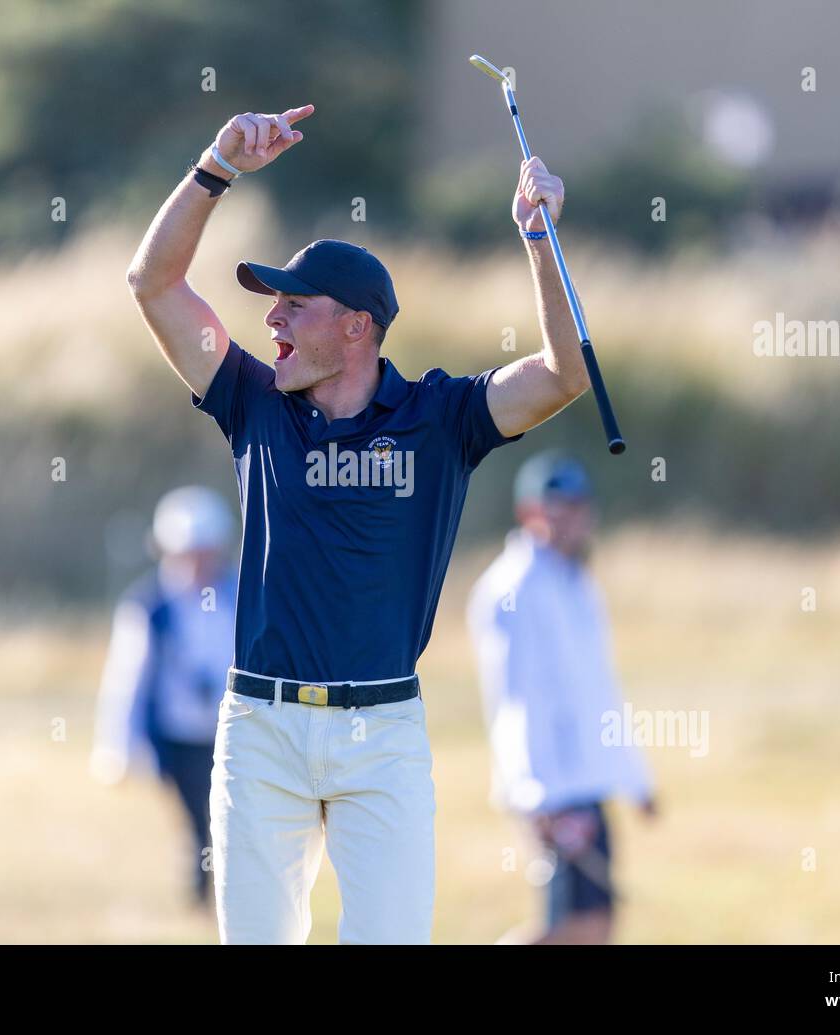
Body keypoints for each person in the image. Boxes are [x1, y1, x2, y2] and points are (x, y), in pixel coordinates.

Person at [125, 104, 591, 944]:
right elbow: (152, 284)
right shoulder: (253, 401)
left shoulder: (441, 415)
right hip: (261, 729)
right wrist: (215, 168)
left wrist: (539, 239)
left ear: (356, 326)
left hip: (383, 733)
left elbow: (563, 372)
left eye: (292, 304)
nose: (271, 319)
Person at [467, 452, 656, 945]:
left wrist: (636, 779)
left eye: (579, 507)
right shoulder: (513, 588)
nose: (572, 519)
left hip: (587, 781)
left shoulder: (577, 583)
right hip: (551, 787)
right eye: (559, 508)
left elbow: (599, 688)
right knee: (568, 929)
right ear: (529, 512)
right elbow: (514, 696)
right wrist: (534, 794)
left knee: (597, 926)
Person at [90, 485, 238, 909]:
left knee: (231, 819)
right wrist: (116, 747)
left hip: (232, 733)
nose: (198, 564)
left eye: (206, 554)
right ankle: (201, 898)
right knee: (198, 819)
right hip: (178, 736)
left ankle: (227, 897)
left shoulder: (242, 597)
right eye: (189, 554)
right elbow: (126, 682)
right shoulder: (150, 608)